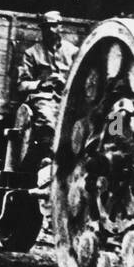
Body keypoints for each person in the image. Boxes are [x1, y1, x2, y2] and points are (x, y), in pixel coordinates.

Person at [16, 11, 78, 162]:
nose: (50, 30)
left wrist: (66, 83)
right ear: (42, 29)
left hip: (68, 98)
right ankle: (49, 161)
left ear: (60, 27)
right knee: (48, 120)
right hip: (44, 97)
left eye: (54, 26)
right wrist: (41, 84)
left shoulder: (73, 52)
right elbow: (21, 85)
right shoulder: (31, 53)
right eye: (46, 27)